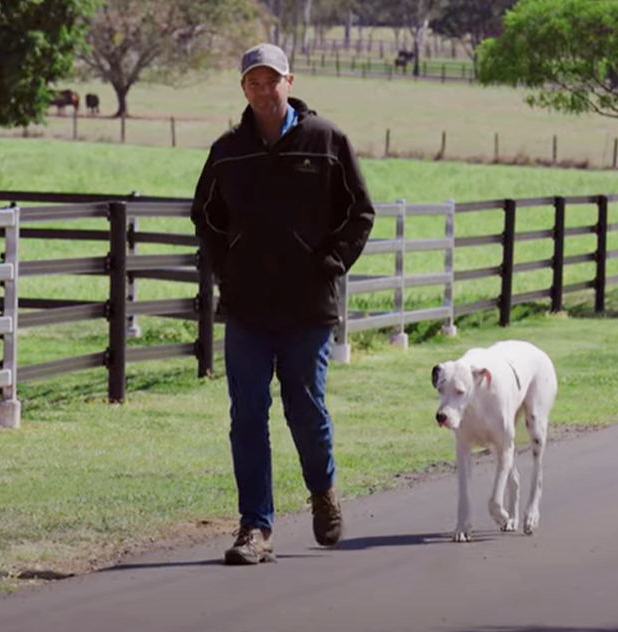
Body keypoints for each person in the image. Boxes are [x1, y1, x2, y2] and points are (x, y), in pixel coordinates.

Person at [190, 43, 375, 565]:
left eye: (272, 80)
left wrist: (331, 263)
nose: (263, 89)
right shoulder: (228, 149)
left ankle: (323, 491)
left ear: (289, 82)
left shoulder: (327, 140)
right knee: (247, 415)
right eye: (253, 82)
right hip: (247, 307)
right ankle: (256, 528)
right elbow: (204, 214)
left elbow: (359, 212)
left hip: (308, 306)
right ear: (243, 89)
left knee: (304, 409)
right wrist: (227, 267)